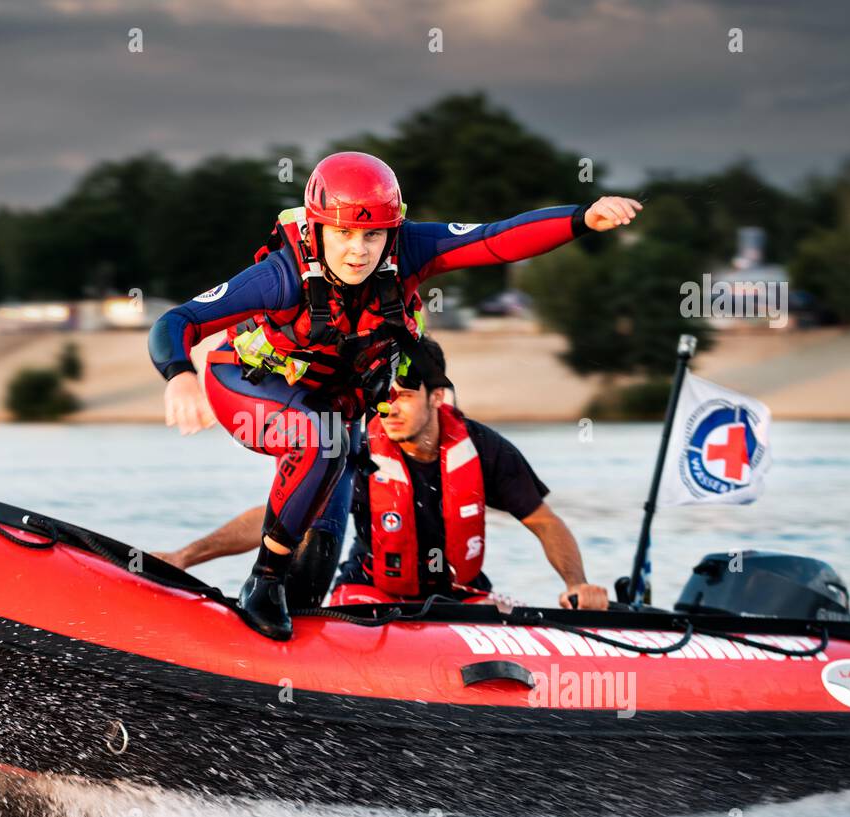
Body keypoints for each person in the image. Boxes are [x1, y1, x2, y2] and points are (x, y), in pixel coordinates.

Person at [149, 150, 638, 639]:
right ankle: (263, 582)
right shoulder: (280, 277)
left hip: (331, 412)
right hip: (246, 387)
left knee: (317, 542)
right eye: (343, 233)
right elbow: (177, 322)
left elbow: (496, 239)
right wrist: (179, 375)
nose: (359, 251)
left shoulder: (413, 249)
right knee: (323, 445)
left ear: (392, 230)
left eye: (373, 235)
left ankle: (288, 655)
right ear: (318, 229)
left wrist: (581, 218)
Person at [153, 338, 610, 611]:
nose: (388, 406)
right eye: (383, 395)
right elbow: (280, 513)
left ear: (438, 399)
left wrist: (575, 584)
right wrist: (185, 557)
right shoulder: (356, 444)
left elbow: (545, 523)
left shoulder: (484, 448)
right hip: (369, 596)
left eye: (405, 395)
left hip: (461, 599)